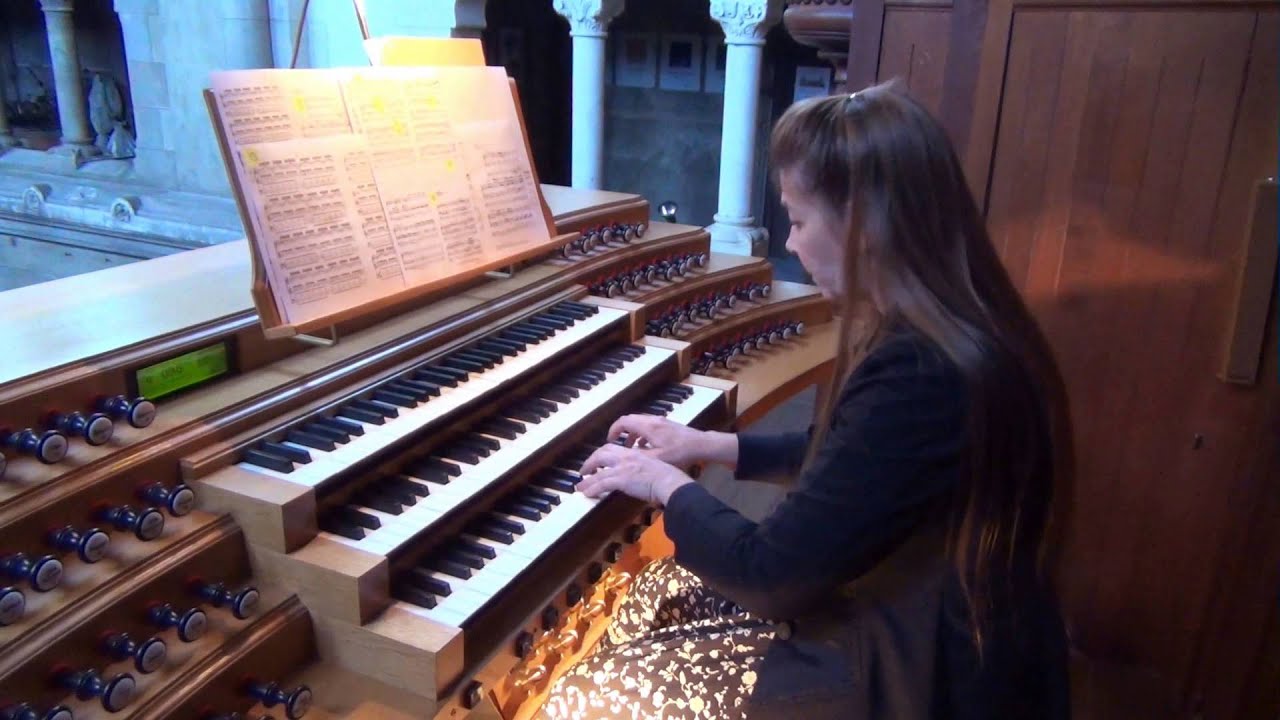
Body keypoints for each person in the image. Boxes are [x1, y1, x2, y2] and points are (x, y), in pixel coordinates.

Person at [535, 81, 1074, 720]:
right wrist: (713, 446)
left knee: (585, 692)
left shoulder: (923, 372)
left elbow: (770, 576)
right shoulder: (955, 330)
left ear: (866, 224)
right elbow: (864, 468)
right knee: (652, 597)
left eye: (797, 218)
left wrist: (664, 487)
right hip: (925, 628)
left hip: (917, 677)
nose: (789, 244)